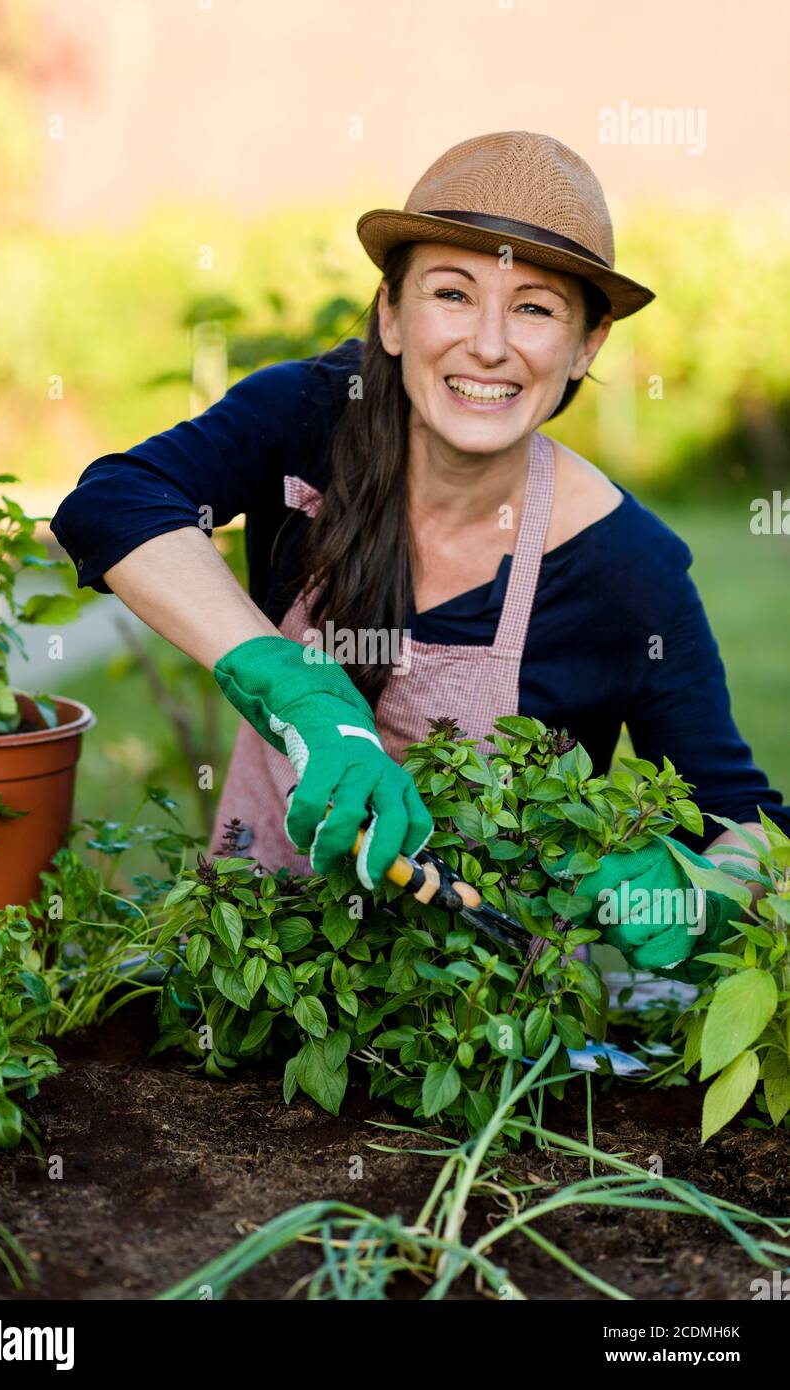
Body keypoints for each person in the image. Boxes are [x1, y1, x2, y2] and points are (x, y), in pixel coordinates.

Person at [50, 130, 790, 982]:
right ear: (392, 317)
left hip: (475, 1040)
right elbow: (112, 503)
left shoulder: (627, 570)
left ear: (586, 346)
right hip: (250, 970)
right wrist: (289, 682)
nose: (485, 344)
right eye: (451, 292)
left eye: (535, 307)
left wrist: (699, 891)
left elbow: (746, 825)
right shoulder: (311, 420)